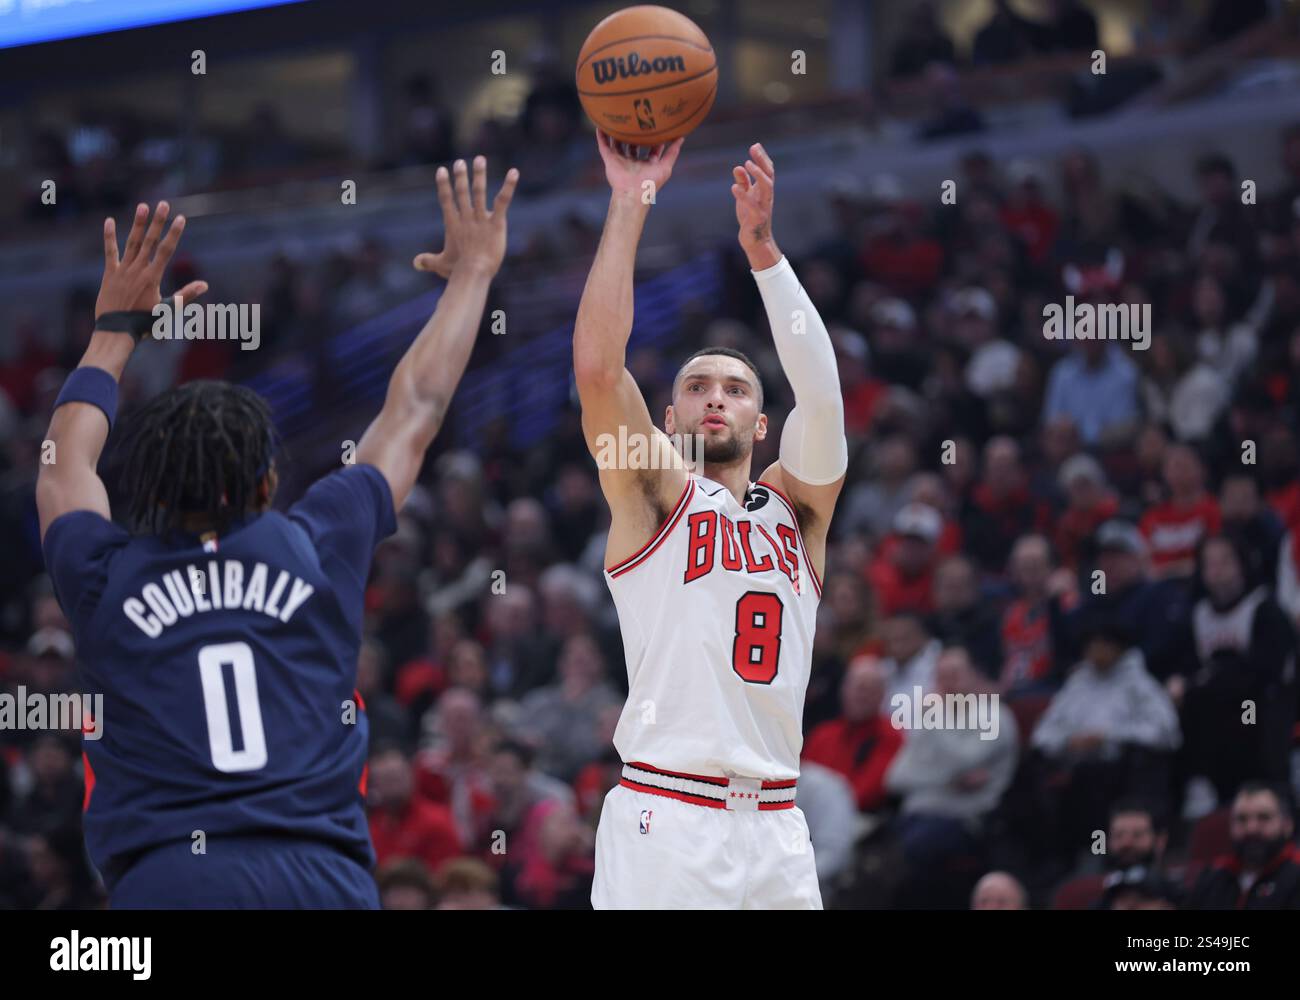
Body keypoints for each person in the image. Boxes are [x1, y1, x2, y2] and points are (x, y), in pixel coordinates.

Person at [36, 157, 517, 908]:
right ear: (266, 480)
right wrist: (474, 276)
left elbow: (62, 462)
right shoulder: (318, 542)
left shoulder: (103, 574)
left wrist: (113, 333)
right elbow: (414, 409)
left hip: (168, 880)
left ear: (150, 486)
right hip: (316, 876)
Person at [575, 134, 847, 909]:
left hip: (776, 828)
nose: (717, 397)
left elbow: (823, 399)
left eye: (736, 388)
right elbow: (598, 370)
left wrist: (763, 251)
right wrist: (631, 201)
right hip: (668, 818)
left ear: (763, 425)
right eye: (697, 387)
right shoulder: (655, 492)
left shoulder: (798, 513)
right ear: (668, 417)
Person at [1187, 782, 1300, 909]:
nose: (1251, 828)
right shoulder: (1213, 877)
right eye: (1242, 819)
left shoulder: (1296, 877)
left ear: (1287, 825)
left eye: (1264, 817)